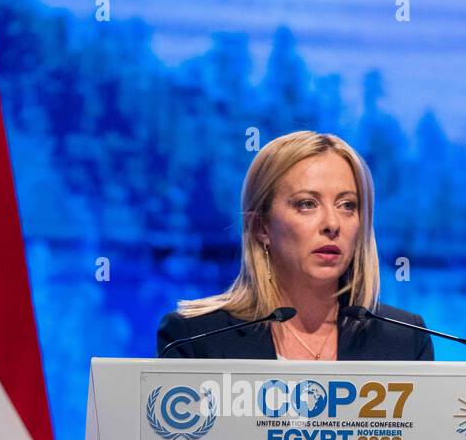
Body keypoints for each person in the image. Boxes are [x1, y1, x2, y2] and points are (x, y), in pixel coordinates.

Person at [156, 131, 433, 361]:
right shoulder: (195, 338)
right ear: (261, 227)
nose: (332, 223)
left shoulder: (404, 340)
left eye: (347, 205)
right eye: (307, 204)